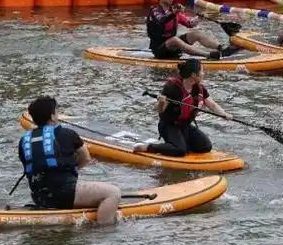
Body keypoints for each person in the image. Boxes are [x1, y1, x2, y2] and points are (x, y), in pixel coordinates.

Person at [18, 96, 121, 225]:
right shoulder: (68, 134)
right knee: (113, 192)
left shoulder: (23, 141)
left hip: (39, 197)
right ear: (52, 116)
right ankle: (103, 229)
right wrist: (75, 166)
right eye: (56, 111)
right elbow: (86, 157)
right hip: (65, 195)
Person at [134, 59, 232, 156]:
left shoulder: (199, 89)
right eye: (202, 71)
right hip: (169, 126)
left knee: (205, 146)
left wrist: (224, 114)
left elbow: (212, 105)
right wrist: (161, 102)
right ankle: (147, 147)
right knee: (180, 150)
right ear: (194, 74)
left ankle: (179, 144)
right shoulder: (172, 88)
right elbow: (158, 109)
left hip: (185, 126)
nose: (203, 74)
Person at [146, 0, 240, 60]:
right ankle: (208, 55)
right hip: (160, 50)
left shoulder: (175, 11)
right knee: (174, 39)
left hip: (174, 48)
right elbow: (162, 20)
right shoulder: (155, 11)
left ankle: (222, 49)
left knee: (196, 34)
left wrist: (200, 17)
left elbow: (190, 24)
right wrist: (174, 12)